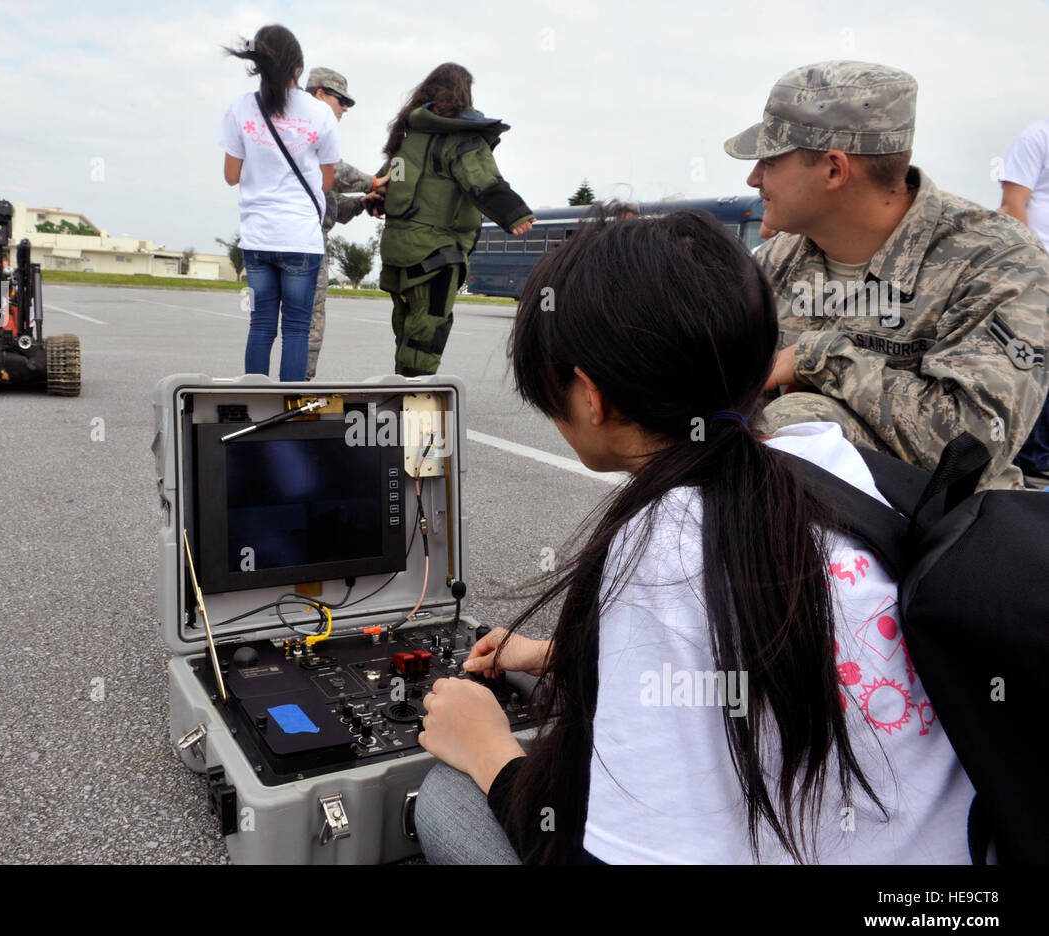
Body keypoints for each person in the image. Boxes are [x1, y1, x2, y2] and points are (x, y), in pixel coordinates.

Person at [412, 205, 977, 864]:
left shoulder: (664, 547)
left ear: (592, 397)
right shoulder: (837, 463)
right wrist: (559, 653)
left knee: (446, 796)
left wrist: (491, 753)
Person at [725, 61, 1049, 490]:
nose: (754, 178)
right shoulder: (776, 261)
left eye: (769, 161)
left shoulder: (999, 261)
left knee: (798, 426)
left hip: (942, 537)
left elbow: (972, 450)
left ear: (834, 170)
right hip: (783, 521)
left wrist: (818, 358)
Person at [377, 63, 534, 376]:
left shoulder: (409, 138)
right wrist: (514, 214)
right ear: (464, 94)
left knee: (407, 325)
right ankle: (416, 399)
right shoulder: (461, 139)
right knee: (430, 326)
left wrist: (373, 201)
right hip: (435, 253)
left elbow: (385, 184)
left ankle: (401, 393)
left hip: (397, 251)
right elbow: (481, 179)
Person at [219, 25, 340, 382]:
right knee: (297, 330)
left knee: (260, 327)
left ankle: (252, 405)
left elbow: (230, 175)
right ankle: (290, 411)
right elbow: (328, 181)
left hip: (257, 238)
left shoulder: (241, 108)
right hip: (301, 238)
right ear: (298, 69)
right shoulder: (320, 114)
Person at [302, 67, 389, 380]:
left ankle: (265, 386)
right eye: (342, 100)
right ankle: (299, 386)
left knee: (275, 322)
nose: (346, 108)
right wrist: (374, 181)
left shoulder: (290, 122)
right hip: (304, 243)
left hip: (286, 238)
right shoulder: (305, 125)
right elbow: (333, 172)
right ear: (320, 94)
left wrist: (360, 204)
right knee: (309, 318)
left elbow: (330, 200)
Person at [998, 118, 1049, 481]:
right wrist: (1035, 267)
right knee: (1036, 362)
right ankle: (1035, 464)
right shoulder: (1039, 135)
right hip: (1039, 269)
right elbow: (1013, 205)